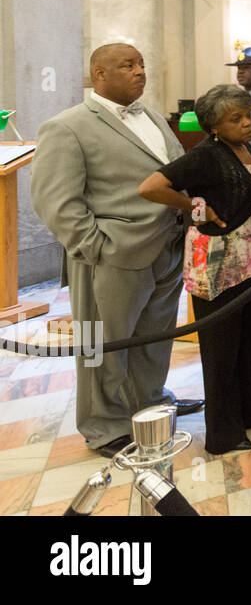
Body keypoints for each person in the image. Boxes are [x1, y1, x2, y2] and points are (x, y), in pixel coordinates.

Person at [31, 43, 202, 458]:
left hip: (164, 247)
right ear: (99, 73)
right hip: (109, 256)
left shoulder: (155, 117)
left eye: (142, 64)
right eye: (128, 65)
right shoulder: (67, 126)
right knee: (100, 344)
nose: (140, 72)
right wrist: (95, 247)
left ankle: (149, 403)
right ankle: (104, 426)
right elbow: (55, 200)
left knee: (154, 337)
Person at [138, 84, 251, 455]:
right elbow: (151, 186)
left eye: (248, 114)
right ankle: (224, 432)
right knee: (223, 351)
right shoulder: (204, 155)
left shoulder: (243, 147)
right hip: (220, 265)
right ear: (214, 126)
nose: (248, 123)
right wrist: (190, 204)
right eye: (236, 119)